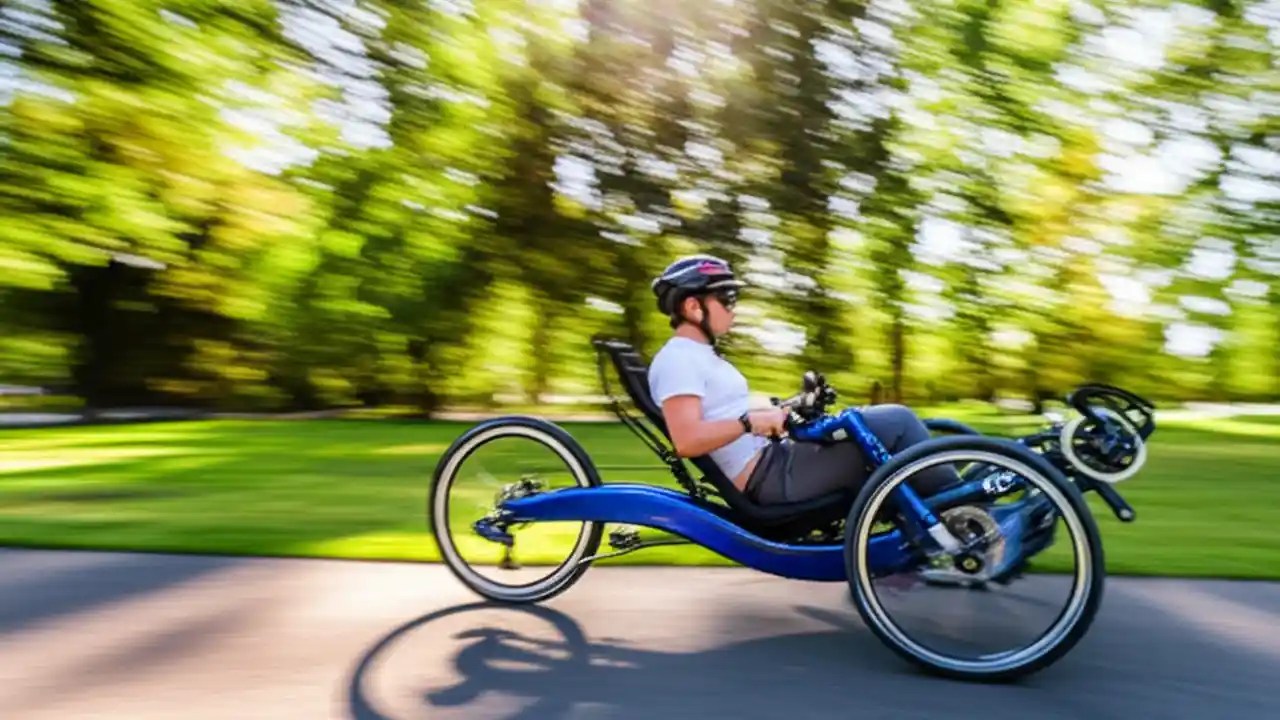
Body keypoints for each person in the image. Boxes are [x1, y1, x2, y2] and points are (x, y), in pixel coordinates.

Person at [646, 253, 959, 505]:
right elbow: (687, 440)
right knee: (898, 422)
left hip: (776, 459)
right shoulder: (678, 359)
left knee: (877, 432)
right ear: (692, 306)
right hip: (770, 476)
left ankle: (941, 524)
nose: (733, 308)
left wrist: (788, 406)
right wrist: (749, 422)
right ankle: (965, 513)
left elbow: (730, 412)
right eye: (726, 298)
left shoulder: (700, 356)